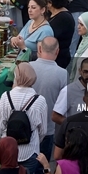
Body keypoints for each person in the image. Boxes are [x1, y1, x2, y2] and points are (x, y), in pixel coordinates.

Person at [29, 36, 68, 166]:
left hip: (26, 124)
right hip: (48, 128)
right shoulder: (62, 73)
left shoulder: (27, 67)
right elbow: (63, 103)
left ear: (39, 49)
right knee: (42, 168)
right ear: (57, 51)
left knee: (26, 165)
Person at [42, 0, 74, 69]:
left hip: (58, 58)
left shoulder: (63, 17)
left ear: (50, 2)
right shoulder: (53, 13)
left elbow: (50, 35)